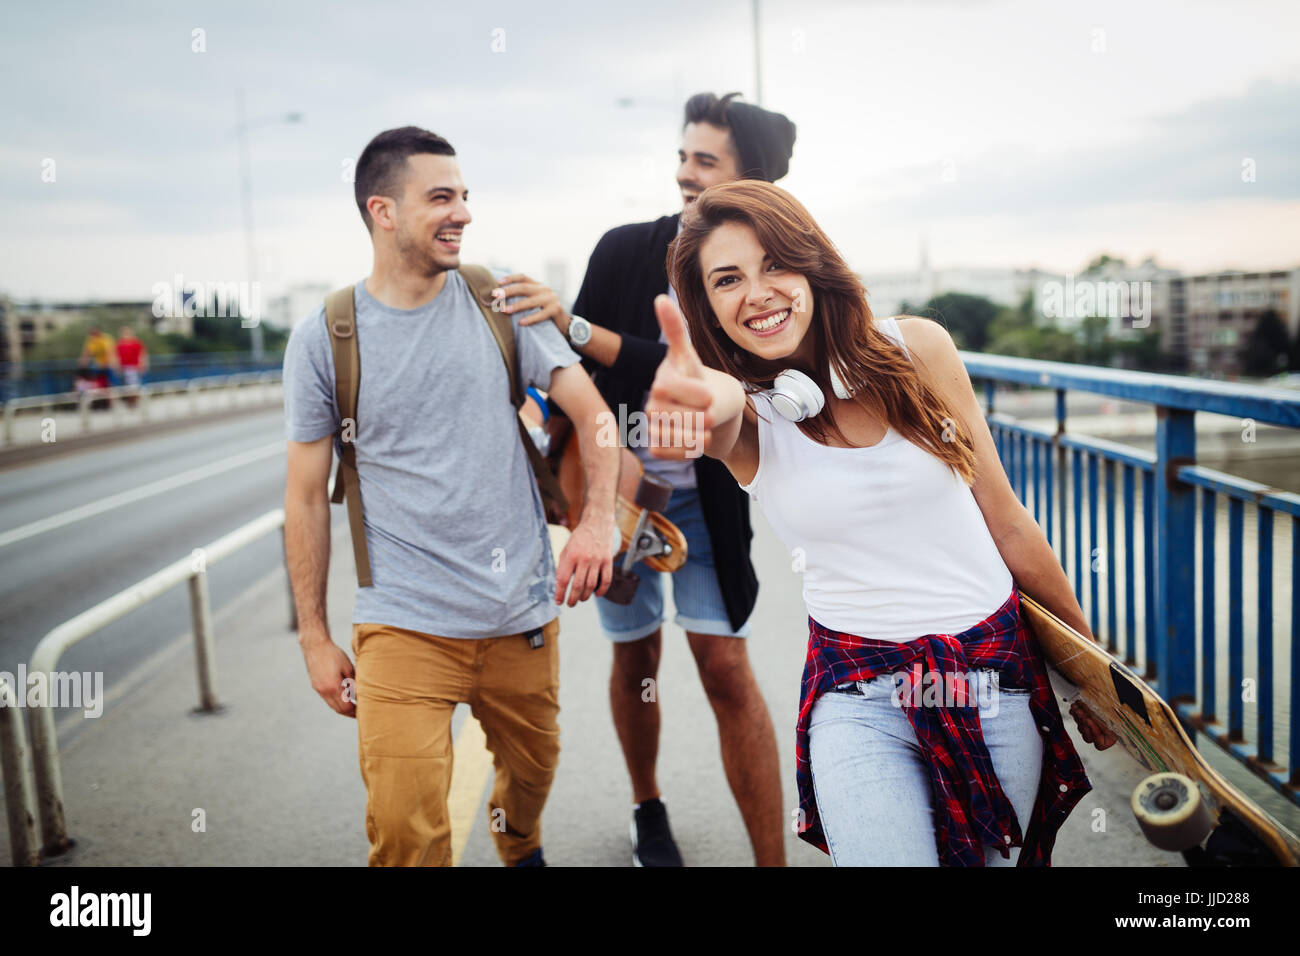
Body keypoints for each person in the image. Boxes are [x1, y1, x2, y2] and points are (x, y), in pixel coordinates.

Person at [645, 179, 1119, 866]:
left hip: (992, 679)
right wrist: (694, 401)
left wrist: (1093, 673)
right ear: (709, 310)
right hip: (859, 696)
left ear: (811, 263)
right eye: (727, 280)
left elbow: (1008, 522)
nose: (758, 292)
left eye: (775, 262)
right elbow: (715, 407)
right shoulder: (752, 418)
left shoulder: (917, 350)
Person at [282, 126, 619, 867]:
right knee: (407, 836)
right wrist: (313, 635)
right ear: (384, 211)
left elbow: (595, 417)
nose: (462, 211)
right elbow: (305, 496)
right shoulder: (324, 339)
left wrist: (597, 524)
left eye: (465, 196)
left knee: (530, 781)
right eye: (441, 197)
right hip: (403, 626)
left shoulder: (498, 302)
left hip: (519, 613)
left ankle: (519, 842)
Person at [514, 92, 795, 866]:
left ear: (752, 180)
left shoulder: (758, 279)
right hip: (617, 498)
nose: (684, 173)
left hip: (707, 500)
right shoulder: (620, 250)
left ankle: (771, 858)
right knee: (634, 658)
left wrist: (580, 329)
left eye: (705, 160)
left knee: (727, 669)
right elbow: (568, 374)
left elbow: (718, 374)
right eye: (683, 155)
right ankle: (648, 812)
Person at [116, 326, 149, 407]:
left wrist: (143, 364)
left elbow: (142, 354)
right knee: (128, 386)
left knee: (133, 386)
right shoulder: (120, 344)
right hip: (124, 368)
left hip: (134, 367)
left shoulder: (136, 343)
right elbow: (116, 356)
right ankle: (130, 401)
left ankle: (134, 401)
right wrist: (117, 366)